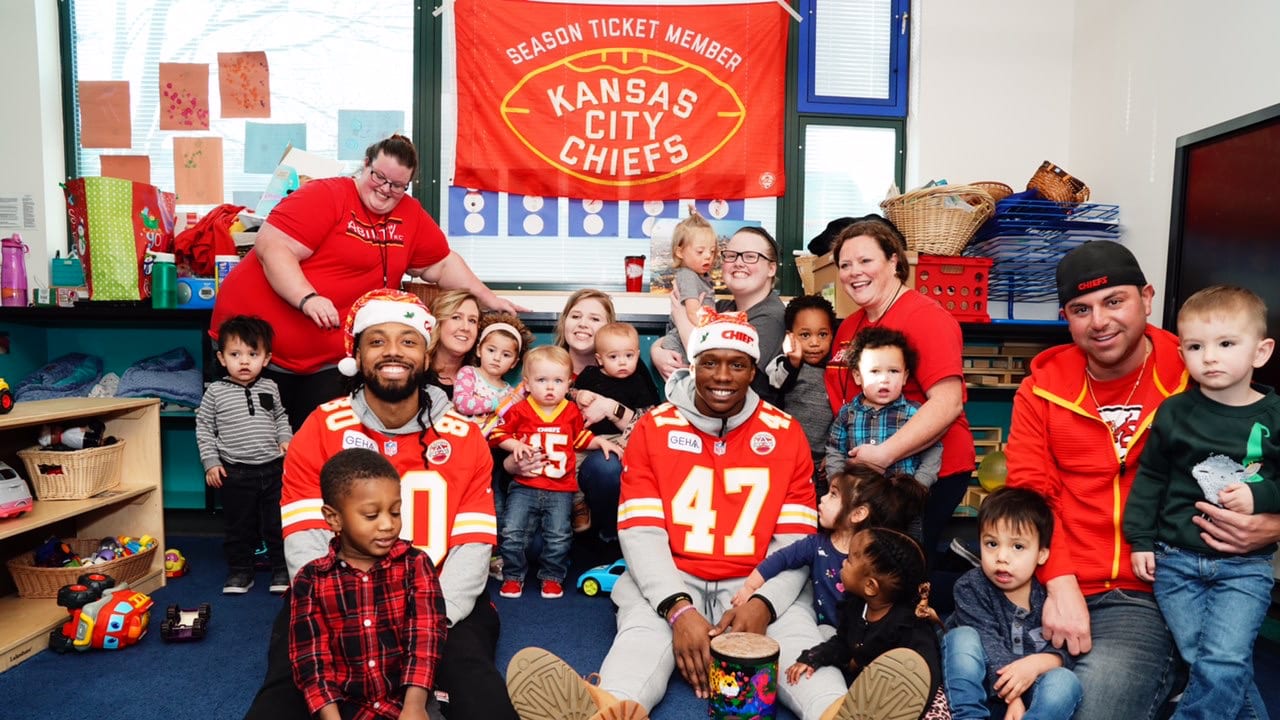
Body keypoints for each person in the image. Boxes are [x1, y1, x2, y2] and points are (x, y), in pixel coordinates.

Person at [506, 310, 858, 720]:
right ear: (693, 365)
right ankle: (602, 708)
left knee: (796, 639)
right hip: (671, 577)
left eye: (737, 364)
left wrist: (764, 601)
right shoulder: (654, 428)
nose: (722, 376)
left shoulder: (785, 432)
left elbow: (796, 538)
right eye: (710, 362)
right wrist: (677, 607)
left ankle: (841, 712)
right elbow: (641, 530)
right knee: (642, 639)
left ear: (753, 370)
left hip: (755, 578)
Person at [244, 288, 518, 720]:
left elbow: (472, 551)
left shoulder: (466, 438)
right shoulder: (319, 429)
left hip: (443, 599)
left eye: (408, 341)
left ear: (427, 356)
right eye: (377, 341)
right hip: (334, 598)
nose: (394, 352)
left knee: (480, 695)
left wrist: (424, 622)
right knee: (282, 697)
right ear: (356, 355)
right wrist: (344, 612)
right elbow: (305, 541)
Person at [210, 134, 522, 431]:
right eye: (378, 177)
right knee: (248, 452)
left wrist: (488, 298)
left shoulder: (409, 214)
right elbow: (272, 247)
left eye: (398, 185)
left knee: (322, 448)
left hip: (327, 362)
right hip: (253, 350)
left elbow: (441, 264)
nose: (386, 189)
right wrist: (307, 298)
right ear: (366, 163)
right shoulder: (326, 194)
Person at [1004, 240, 1188, 720]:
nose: (1100, 322)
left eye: (1114, 301)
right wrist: (1060, 582)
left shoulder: (1197, 375)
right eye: (1081, 309)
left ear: (1147, 299)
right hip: (1043, 576)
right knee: (964, 681)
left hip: (1138, 591)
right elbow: (1030, 493)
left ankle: (1169, 673)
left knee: (1088, 708)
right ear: (1066, 318)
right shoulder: (1039, 390)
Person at [1123, 284, 1280, 720]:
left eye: (1226, 344)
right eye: (1195, 346)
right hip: (1175, 562)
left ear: (1261, 351)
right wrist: (1139, 539)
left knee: (1224, 661)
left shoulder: (1275, 416)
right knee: (1206, 659)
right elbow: (1151, 476)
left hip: (1244, 569)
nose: (1209, 357)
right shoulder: (1174, 412)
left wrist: (1262, 495)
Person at [822, 217, 974, 566]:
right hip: (867, 470)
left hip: (923, 472)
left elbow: (948, 404)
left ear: (894, 261)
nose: (853, 272)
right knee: (865, 565)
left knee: (900, 568)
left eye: (865, 261)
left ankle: (963, 573)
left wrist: (885, 454)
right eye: (845, 265)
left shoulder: (925, 318)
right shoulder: (850, 325)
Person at [289, 448, 447, 720]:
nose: (388, 524)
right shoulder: (310, 580)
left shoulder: (416, 564)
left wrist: (414, 706)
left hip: (408, 698)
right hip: (344, 706)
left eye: (395, 512)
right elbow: (312, 661)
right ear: (333, 518)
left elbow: (425, 638)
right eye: (371, 516)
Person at [491, 345, 622, 600]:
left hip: (561, 489)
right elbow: (497, 435)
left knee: (559, 535)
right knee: (512, 531)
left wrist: (600, 442)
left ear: (568, 384)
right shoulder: (520, 410)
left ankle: (552, 577)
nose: (550, 388)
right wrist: (515, 444)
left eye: (558, 381)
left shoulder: (571, 410)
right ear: (527, 384)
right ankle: (513, 576)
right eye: (542, 380)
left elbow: (580, 437)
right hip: (524, 486)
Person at [731, 466, 929, 629]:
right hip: (828, 632)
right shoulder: (816, 544)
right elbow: (781, 559)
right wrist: (750, 587)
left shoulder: (875, 554)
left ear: (858, 514)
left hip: (867, 633)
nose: (823, 499)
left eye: (834, 495)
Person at [943, 487, 1081, 720]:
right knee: (962, 637)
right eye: (991, 544)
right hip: (984, 683)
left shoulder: (1052, 595)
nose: (1002, 557)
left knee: (1065, 681)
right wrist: (1013, 699)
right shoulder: (970, 587)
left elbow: (1067, 648)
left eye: (1018, 547)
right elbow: (988, 642)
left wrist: (1037, 664)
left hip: (1032, 692)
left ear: (1042, 554)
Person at [786, 528, 942, 719]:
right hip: (866, 694)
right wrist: (814, 657)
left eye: (850, 559)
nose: (843, 561)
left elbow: (923, 675)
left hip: (910, 703)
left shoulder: (908, 625)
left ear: (870, 586)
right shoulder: (855, 606)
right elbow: (842, 643)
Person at [196, 315, 293, 595]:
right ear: (222, 358)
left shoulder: (269, 387)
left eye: (253, 354)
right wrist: (211, 462)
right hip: (235, 472)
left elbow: (280, 417)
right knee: (239, 526)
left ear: (266, 358)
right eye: (235, 354)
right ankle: (241, 571)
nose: (244, 361)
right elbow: (204, 428)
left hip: (273, 469)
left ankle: (281, 568)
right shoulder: (215, 392)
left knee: (276, 523)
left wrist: (285, 438)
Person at [653, 226, 787, 405]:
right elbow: (673, 335)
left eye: (750, 256)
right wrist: (656, 351)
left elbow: (719, 371)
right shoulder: (722, 308)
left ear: (771, 269)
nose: (739, 263)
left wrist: (680, 316)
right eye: (731, 255)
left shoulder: (772, 318)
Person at [826, 327, 942, 491]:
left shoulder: (915, 414)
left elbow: (933, 449)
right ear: (857, 376)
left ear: (905, 377)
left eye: (893, 371)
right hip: (858, 499)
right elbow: (835, 451)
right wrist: (837, 481)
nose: (884, 379)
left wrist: (920, 484)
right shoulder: (847, 414)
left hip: (902, 502)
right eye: (874, 371)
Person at [765, 294, 837, 499]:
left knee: (820, 504)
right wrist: (793, 363)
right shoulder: (784, 363)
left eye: (823, 334)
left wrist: (833, 454)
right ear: (790, 336)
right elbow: (777, 382)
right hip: (789, 455)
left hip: (822, 459)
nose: (815, 343)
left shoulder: (835, 369)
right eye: (805, 335)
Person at [572, 321, 661, 447]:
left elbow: (646, 419)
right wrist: (578, 394)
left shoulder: (637, 382)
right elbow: (568, 395)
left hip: (620, 438)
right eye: (613, 357)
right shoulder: (589, 375)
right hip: (587, 438)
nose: (622, 362)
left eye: (629, 355)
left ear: (637, 355)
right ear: (599, 359)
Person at [658, 206, 718, 357]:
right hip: (680, 342)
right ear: (680, 252)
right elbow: (692, 312)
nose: (708, 256)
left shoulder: (699, 275)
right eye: (700, 251)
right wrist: (714, 333)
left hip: (691, 337)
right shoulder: (688, 275)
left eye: (712, 251)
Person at [451, 311, 531, 421]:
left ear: (514, 363)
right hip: (464, 435)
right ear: (479, 350)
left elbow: (511, 424)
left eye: (506, 355)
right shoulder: (469, 373)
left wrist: (519, 407)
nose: (497, 358)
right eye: (491, 350)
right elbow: (462, 404)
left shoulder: (511, 393)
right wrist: (496, 403)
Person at [426, 289, 483, 399]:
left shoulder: (484, 375)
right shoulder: (416, 373)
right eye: (456, 317)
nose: (465, 328)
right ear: (438, 322)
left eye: (472, 320)